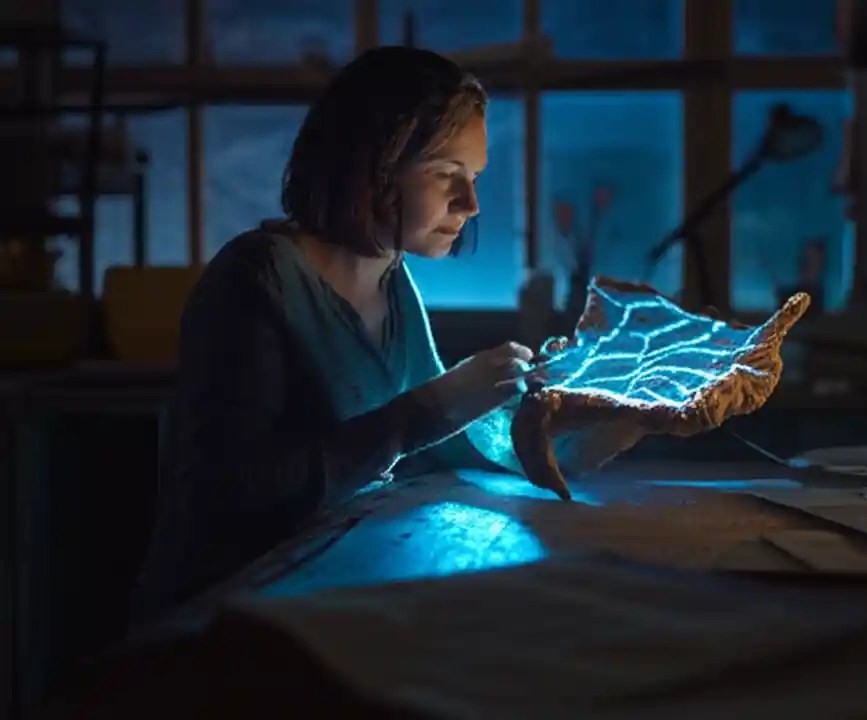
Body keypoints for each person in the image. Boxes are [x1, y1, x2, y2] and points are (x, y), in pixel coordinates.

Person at [132, 47, 562, 622]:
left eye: (476, 177)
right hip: (221, 621)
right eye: (446, 174)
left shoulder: (393, 280)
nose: (471, 204)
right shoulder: (256, 280)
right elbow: (238, 492)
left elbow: (445, 443)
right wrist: (429, 409)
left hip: (322, 602)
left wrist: (575, 419)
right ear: (375, 167)